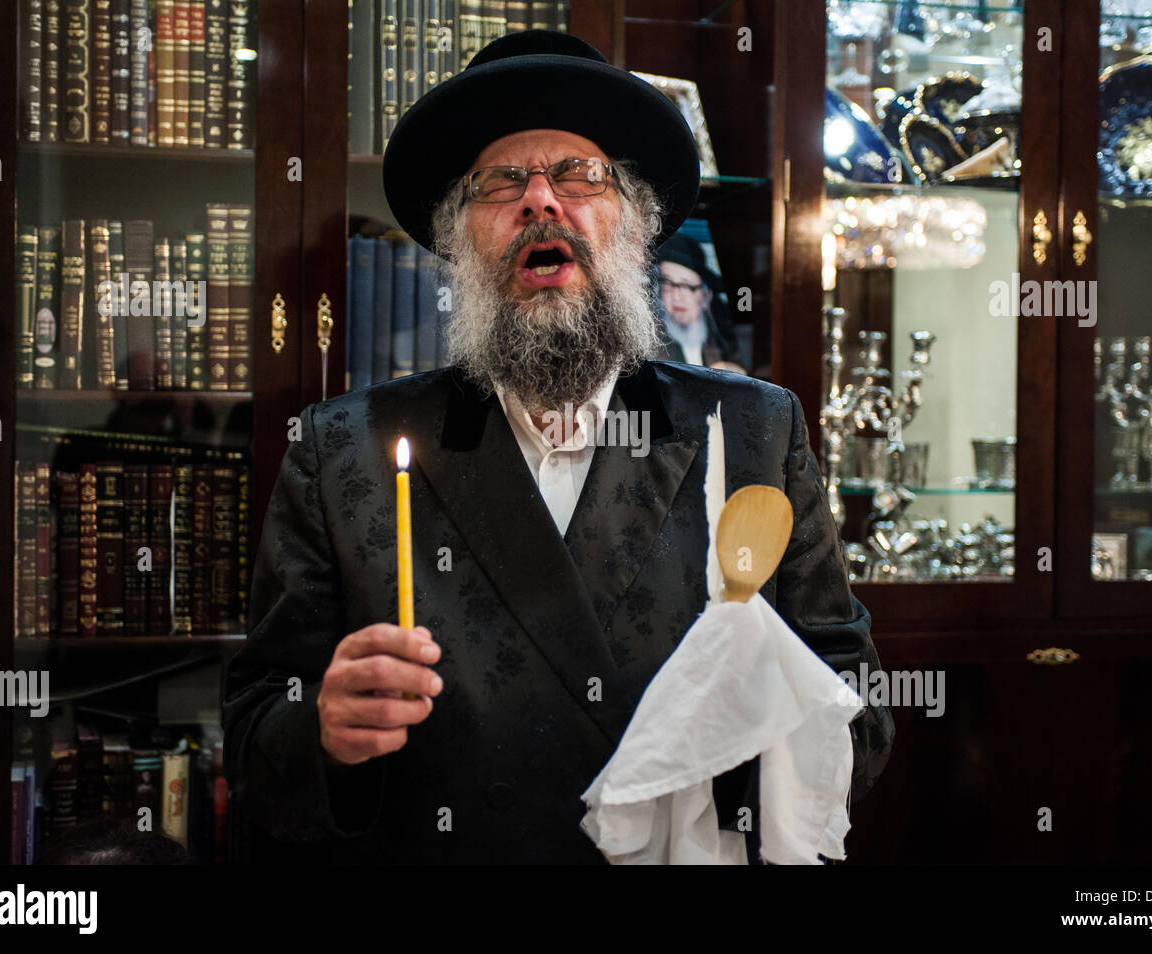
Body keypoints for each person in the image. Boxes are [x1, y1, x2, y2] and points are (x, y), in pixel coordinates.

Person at [222, 29, 893, 864]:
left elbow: (858, 715)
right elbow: (254, 740)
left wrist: (732, 743)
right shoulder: (342, 453)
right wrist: (326, 731)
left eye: (579, 176)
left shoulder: (752, 433)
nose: (542, 201)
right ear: (456, 238)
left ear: (636, 223)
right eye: (500, 182)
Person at [653, 232, 747, 373]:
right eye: (668, 283)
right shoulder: (650, 345)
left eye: (687, 286)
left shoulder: (723, 342)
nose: (677, 297)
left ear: (706, 296)